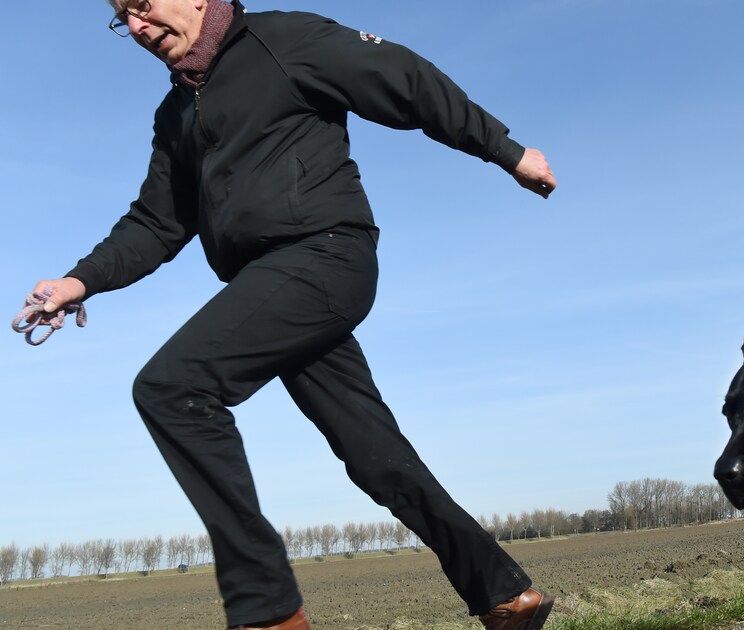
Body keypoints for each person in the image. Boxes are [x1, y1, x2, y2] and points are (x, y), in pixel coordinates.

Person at [28, 1, 558, 629]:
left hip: (325, 255)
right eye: (124, 21)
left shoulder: (284, 40)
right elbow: (158, 220)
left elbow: (406, 80)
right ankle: (504, 593)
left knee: (173, 387)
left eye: (141, 5)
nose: (137, 28)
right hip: (272, 286)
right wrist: (80, 279)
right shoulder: (176, 112)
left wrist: (506, 149)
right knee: (373, 453)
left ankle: (269, 612)